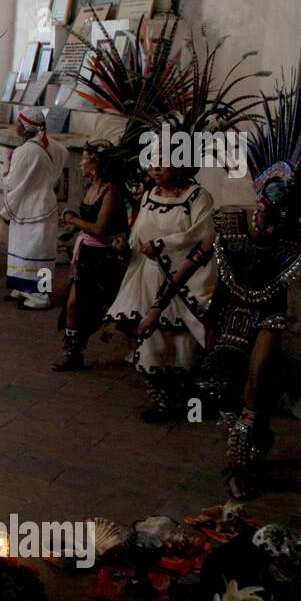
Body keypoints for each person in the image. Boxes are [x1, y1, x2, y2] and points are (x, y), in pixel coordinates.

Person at [138, 44, 301, 496]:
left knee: (258, 377)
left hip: (268, 311)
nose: (274, 222)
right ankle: (248, 435)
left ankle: (240, 462)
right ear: (261, 196)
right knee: (221, 381)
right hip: (226, 310)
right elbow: (190, 264)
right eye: (271, 210)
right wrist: (154, 310)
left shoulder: (298, 237)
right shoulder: (228, 223)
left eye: (286, 215)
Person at [106, 156, 217, 421]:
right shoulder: (150, 194)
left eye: (162, 162)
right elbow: (138, 235)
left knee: (181, 344)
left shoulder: (199, 197)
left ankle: (188, 398)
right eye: (152, 162)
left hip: (182, 279)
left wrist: (162, 245)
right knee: (150, 341)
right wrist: (126, 248)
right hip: (148, 279)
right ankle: (162, 400)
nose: (154, 168)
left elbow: (200, 236)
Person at [52, 140, 129, 370]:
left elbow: (100, 228)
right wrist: (74, 228)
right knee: (73, 305)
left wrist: (71, 219)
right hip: (86, 254)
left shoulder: (111, 191)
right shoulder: (91, 186)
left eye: (84, 158)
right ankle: (73, 354)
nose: (81, 163)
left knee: (106, 307)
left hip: (103, 258)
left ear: (95, 162)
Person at [2, 109, 66, 310]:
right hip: (43, 206)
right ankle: (23, 288)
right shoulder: (52, 146)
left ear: (25, 127)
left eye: (18, 123)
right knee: (39, 252)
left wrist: (5, 176)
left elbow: (14, 181)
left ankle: (40, 297)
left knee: (34, 253)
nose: (15, 126)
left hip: (29, 207)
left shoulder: (25, 151)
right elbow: (61, 157)